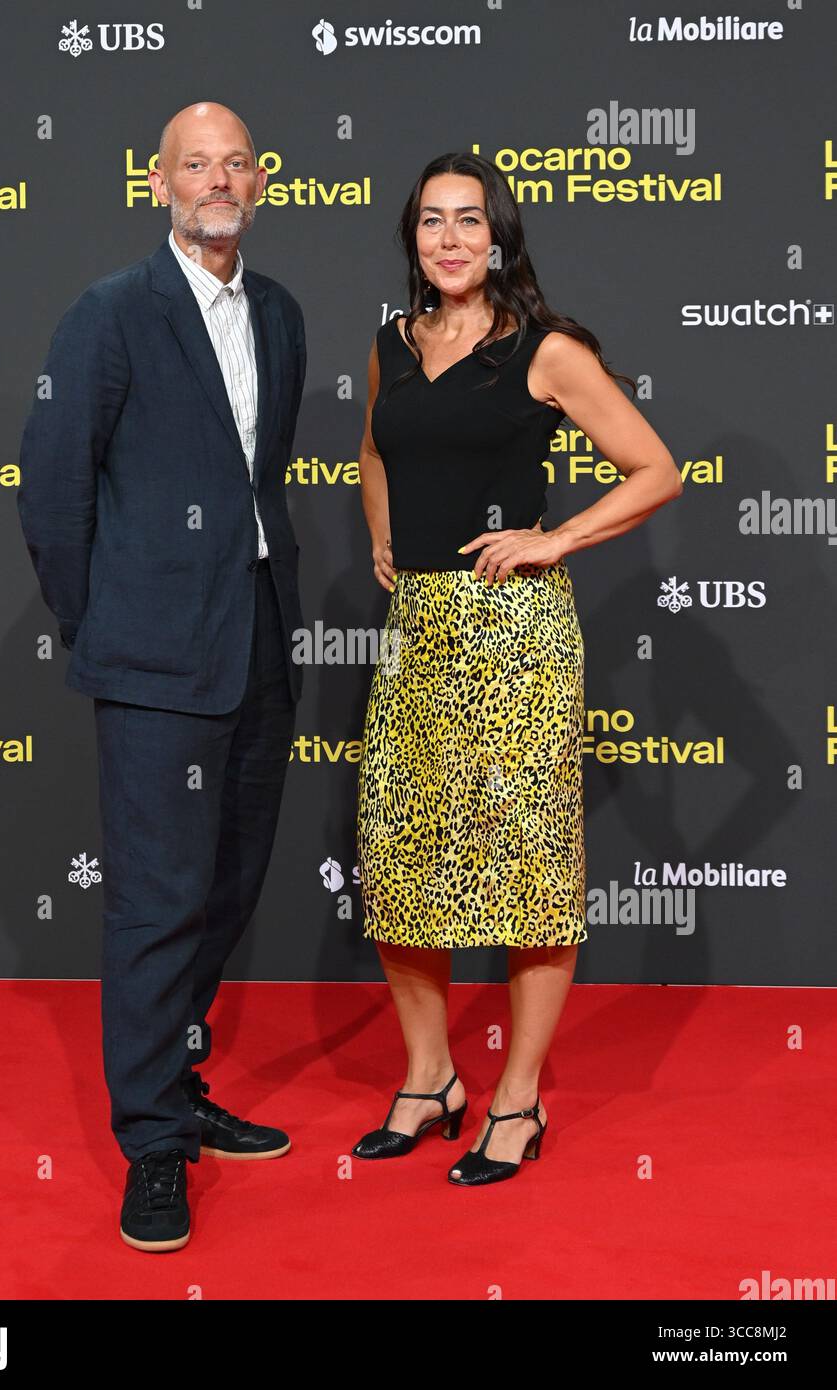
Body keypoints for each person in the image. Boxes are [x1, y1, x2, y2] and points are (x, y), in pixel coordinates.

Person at [353, 151, 681, 1186]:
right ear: (413, 238)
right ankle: (427, 1078)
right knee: (403, 862)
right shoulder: (391, 344)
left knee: (529, 873)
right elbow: (375, 449)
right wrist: (383, 543)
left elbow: (656, 469)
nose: (449, 238)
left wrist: (556, 539)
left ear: (499, 238)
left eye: (469, 220)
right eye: (431, 221)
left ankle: (519, 1095)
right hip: (419, 633)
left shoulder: (545, 349)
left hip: (516, 635)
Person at [17, 102, 307, 1249]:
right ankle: (150, 1143)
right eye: (196, 163)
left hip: (255, 645)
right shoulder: (111, 315)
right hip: (153, 663)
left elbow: (256, 481)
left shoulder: (279, 313)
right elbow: (54, 492)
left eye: (235, 161)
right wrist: (110, 624)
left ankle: (179, 1086)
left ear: (260, 181)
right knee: (155, 904)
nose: (217, 179)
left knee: (226, 889)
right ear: (159, 184)